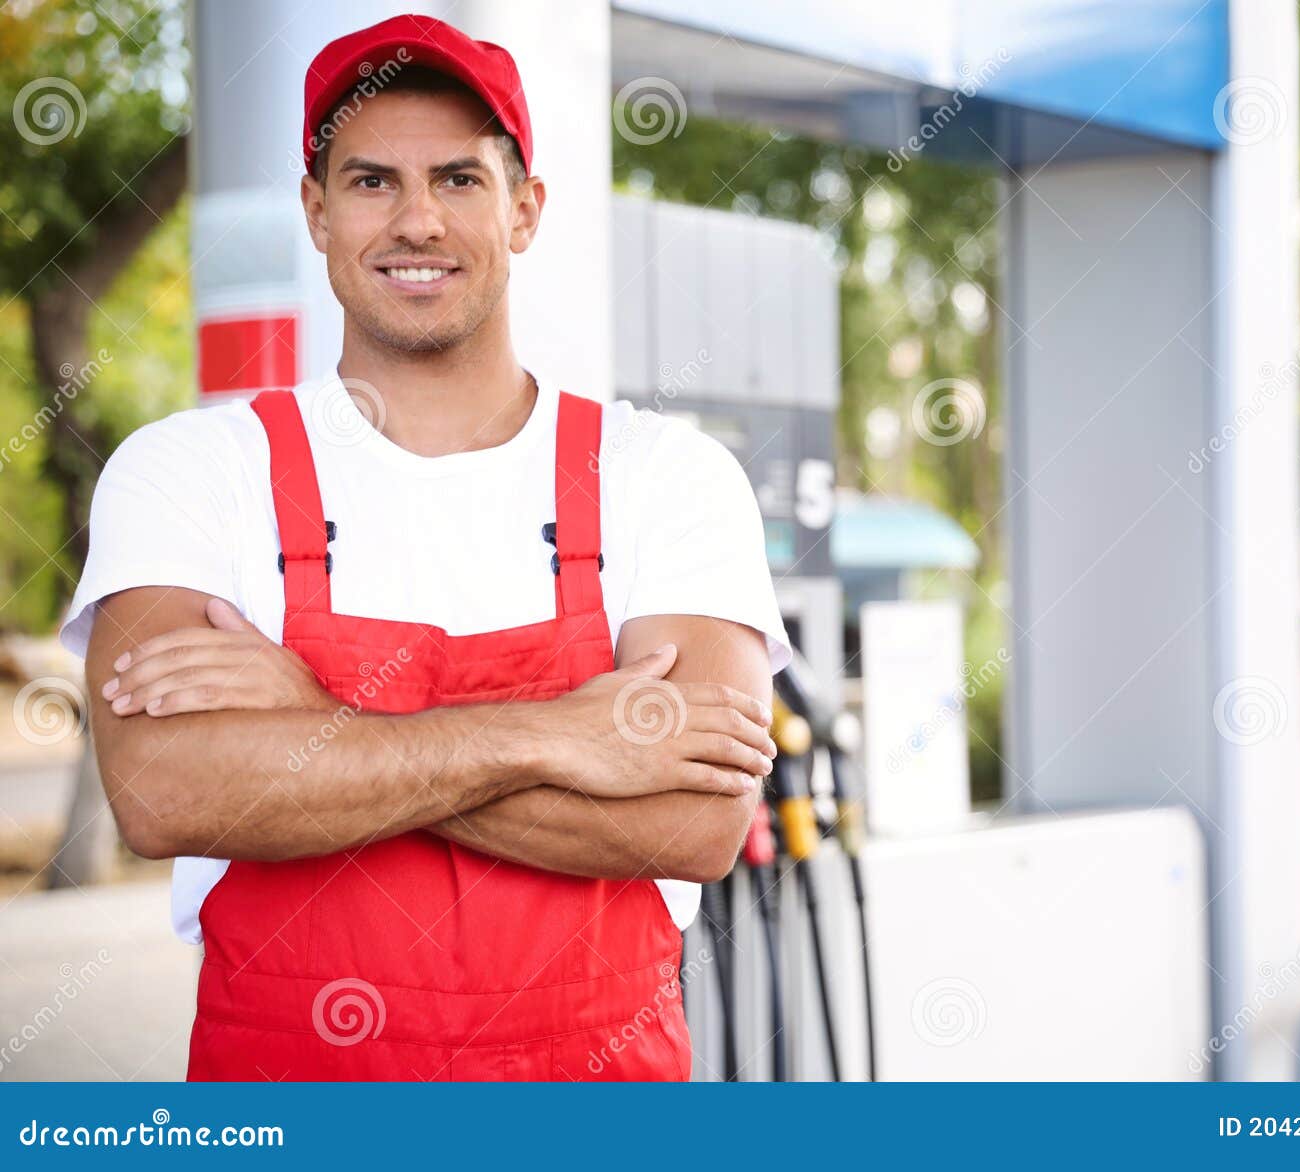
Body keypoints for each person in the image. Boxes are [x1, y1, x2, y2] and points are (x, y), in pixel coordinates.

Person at [62, 13, 790, 1082]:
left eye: (457, 178)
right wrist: (558, 737)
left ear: (525, 209)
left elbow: (693, 820)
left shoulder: (664, 476)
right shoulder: (189, 471)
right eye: (369, 182)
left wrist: (307, 725)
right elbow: (165, 793)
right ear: (315, 212)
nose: (415, 221)